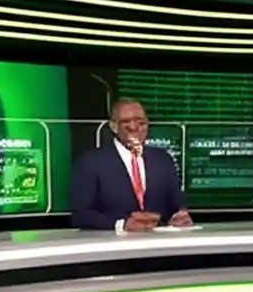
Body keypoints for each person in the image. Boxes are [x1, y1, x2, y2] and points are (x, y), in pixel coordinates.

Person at [70, 98, 192, 233]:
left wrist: (179, 217)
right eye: (126, 122)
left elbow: (177, 205)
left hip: (157, 241)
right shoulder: (91, 162)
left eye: (141, 122)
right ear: (114, 127)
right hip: (113, 244)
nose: (134, 128)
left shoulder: (163, 159)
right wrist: (122, 224)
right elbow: (80, 215)